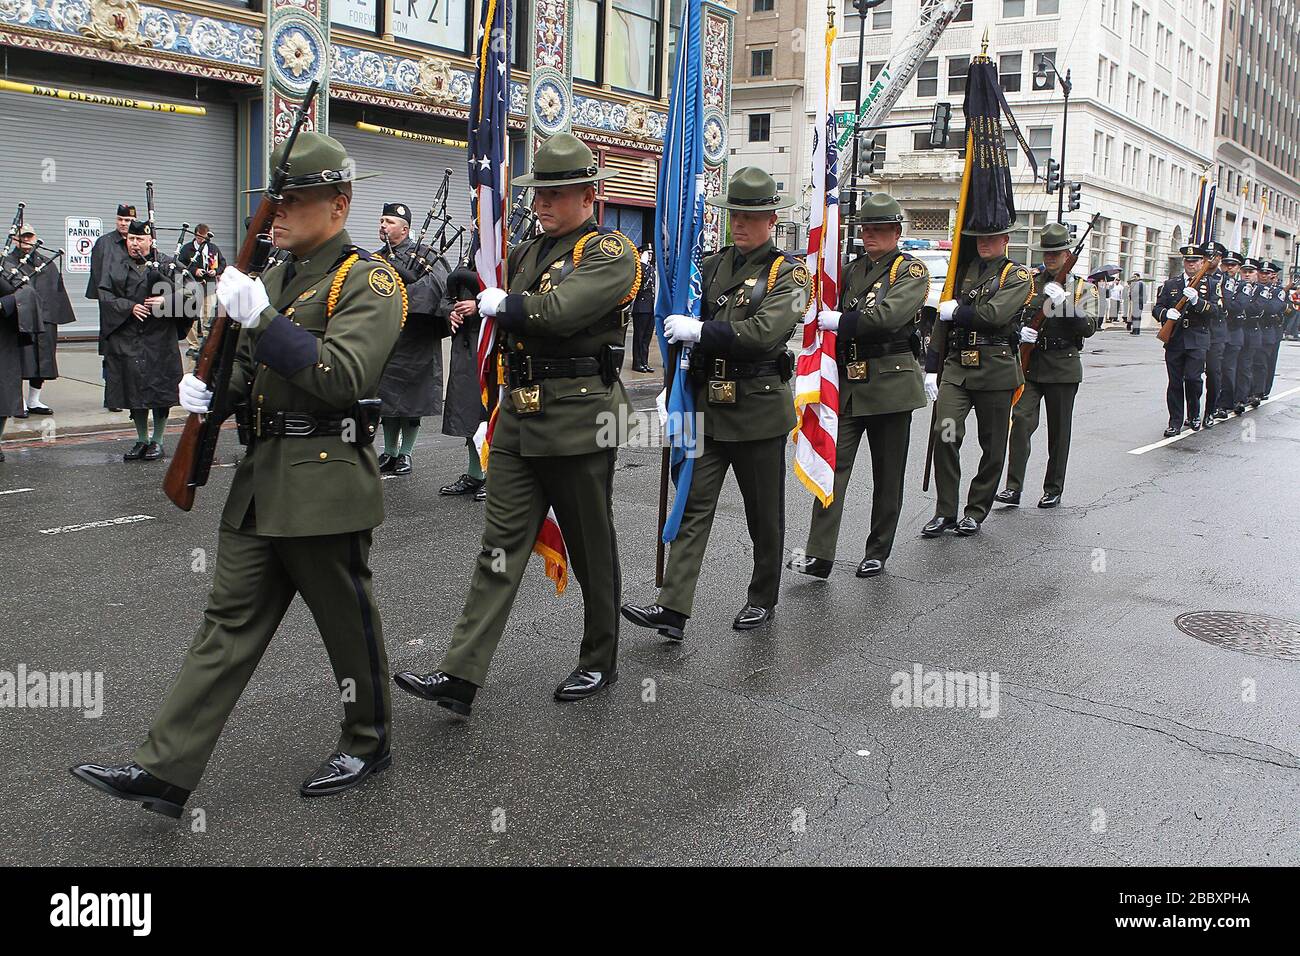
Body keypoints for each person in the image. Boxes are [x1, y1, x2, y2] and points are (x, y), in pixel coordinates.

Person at [70, 131, 404, 817]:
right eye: (272, 202)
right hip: (262, 480)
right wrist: (211, 397)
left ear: (338, 205)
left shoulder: (369, 280)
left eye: (294, 200)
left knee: (346, 623)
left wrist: (266, 319)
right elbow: (250, 377)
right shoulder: (275, 278)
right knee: (226, 624)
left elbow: (340, 378)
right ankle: (165, 767)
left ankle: (368, 739)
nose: (277, 213)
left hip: (325, 480)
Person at [394, 133, 639, 714]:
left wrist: (503, 306)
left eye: (557, 193)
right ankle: (461, 674)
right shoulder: (527, 253)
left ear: (589, 195)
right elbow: (497, 303)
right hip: (519, 418)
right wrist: (472, 301)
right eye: (539, 193)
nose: (544, 203)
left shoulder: (608, 253)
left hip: (579, 419)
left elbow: (558, 313)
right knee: (498, 548)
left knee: (589, 545)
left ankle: (599, 656)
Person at [621, 166, 805, 640]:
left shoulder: (788, 273)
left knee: (763, 514)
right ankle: (673, 607)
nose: (740, 223)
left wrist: (702, 331)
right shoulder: (711, 265)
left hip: (759, 409)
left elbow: (765, 333)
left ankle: (763, 596)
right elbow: (679, 308)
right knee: (690, 505)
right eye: (734, 214)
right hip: (707, 408)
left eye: (750, 215)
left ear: (771, 219)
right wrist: (674, 380)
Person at [787, 192, 926, 581]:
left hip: (890, 385)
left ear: (896, 232)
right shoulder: (851, 269)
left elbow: (888, 315)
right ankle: (819, 553)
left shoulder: (908, 271)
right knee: (832, 466)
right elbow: (819, 293)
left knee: (887, 474)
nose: (871, 235)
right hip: (849, 383)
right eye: (866, 229)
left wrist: (841, 322)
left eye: (880, 229)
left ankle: (878, 550)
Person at [922, 222, 1032, 538]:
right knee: (945, 432)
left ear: (1005, 240)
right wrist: (932, 366)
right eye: (980, 237)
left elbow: (995, 315)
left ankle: (975, 510)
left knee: (992, 444)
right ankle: (945, 512)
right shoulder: (963, 270)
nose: (984, 242)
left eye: (992, 237)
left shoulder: (1015, 275)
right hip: (957, 367)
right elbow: (942, 319)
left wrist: (957, 312)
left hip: (995, 368)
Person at [996, 222, 1097, 509]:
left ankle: (1053, 488)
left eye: (1056, 253)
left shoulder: (1081, 287)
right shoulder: (1030, 282)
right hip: (1031, 363)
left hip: (1063, 366)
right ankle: (1013, 487)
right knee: (1020, 422)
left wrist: (1065, 304)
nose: (1050, 258)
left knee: (1059, 431)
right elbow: (1012, 315)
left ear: (1067, 253)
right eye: (1047, 253)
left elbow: (1089, 326)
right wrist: (1019, 333)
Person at [96, 219, 191, 460]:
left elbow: (195, 294)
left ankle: (157, 441)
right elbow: (104, 295)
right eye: (130, 238)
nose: (134, 243)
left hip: (159, 339)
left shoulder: (168, 265)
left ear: (150, 240)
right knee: (133, 388)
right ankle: (141, 439)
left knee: (158, 389)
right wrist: (128, 307)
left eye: (139, 239)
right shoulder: (116, 264)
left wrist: (166, 302)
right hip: (127, 337)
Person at [373, 201, 450, 476]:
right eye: (382, 220)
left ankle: (406, 454)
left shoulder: (427, 256)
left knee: (411, 399)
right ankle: (390, 451)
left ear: (405, 229)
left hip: (416, 335)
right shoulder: (375, 258)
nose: (383, 225)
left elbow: (440, 287)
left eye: (389, 221)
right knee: (387, 398)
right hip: (387, 338)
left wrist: (403, 293)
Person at [4, 224, 75, 415]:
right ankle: (19, 403)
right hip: (20, 319)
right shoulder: (8, 263)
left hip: (44, 318)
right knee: (20, 360)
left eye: (30, 237)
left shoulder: (46, 262)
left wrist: (54, 316)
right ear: (15, 239)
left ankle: (34, 400)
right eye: (23, 237)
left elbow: (55, 290)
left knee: (43, 360)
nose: (27, 240)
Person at [1153, 243, 1217, 436]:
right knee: (1174, 382)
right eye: (1188, 261)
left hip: (1197, 338)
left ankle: (1194, 414)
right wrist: (1166, 314)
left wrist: (1198, 302)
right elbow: (1158, 307)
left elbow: (1216, 311)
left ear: (1202, 262)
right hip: (1175, 338)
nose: (1191, 264)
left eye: (1196, 261)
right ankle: (1175, 421)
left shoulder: (1210, 285)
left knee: (1192, 379)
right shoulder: (1172, 284)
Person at [176, 224, 226, 369]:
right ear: (195, 235)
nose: (201, 240)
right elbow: (180, 264)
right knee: (191, 315)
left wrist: (215, 271)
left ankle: (206, 342)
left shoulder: (213, 248)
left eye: (204, 237)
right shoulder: (187, 248)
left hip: (209, 285)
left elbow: (222, 263)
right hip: (192, 285)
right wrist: (194, 270)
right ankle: (193, 345)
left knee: (208, 315)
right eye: (199, 237)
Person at [1201, 242, 1228, 430]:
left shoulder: (1224, 280)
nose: (1209, 259)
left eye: (1213, 256)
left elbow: (1226, 306)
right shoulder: (1196, 276)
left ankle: (1210, 410)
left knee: (1213, 373)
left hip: (1215, 333)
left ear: (1219, 259)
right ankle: (1193, 413)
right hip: (1195, 332)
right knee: (1192, 376)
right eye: (1206, 255)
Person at [1215, 250, 1245, 420]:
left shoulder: (1243, 286)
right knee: (1214, 370)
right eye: (1225, 264)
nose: (1228, 268)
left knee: (1228, 369)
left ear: (1238, 268)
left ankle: (1224, 404)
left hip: (1233, 332)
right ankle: (1214, 403)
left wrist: (1224, 301)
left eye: (1232, 265)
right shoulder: (1217, 281)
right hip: (1218, 331)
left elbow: (1237, 306)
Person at [85, 203, 134, 301]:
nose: (123, 223)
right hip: (110, 298)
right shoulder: (104, 242)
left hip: (133, 298)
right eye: (120, 219)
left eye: (127, 220)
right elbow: (97, 272)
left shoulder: (139, 241)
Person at [630, 243, 655, 373]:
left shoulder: (651, 268)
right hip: (641, 307)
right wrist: (642, 263)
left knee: (647, 337)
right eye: (647, 253)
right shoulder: (638, 267)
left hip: (651, 307)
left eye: (651, 254)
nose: (650, 256)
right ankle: (637, 363)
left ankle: (644, 362)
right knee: (639, 337)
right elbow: (640, 282)